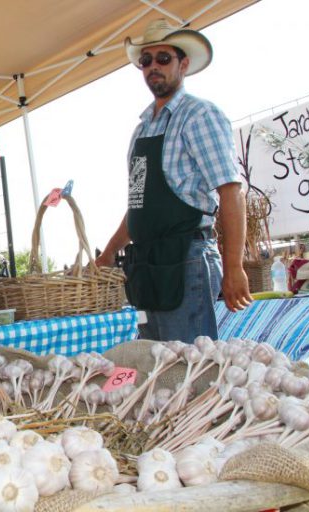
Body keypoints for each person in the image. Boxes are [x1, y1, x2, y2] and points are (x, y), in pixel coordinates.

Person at [95, 19, 252, 344]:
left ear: (183, 64)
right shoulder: (142, 129)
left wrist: (234, 265)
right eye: (146, 61)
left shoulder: (199, 116)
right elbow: (138, 204)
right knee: (156, 367)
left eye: (163, 58)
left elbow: (230, 192)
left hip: (187, 260)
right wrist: (108, 253)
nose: (153, 67)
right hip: (146, 267)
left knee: (189, 368)